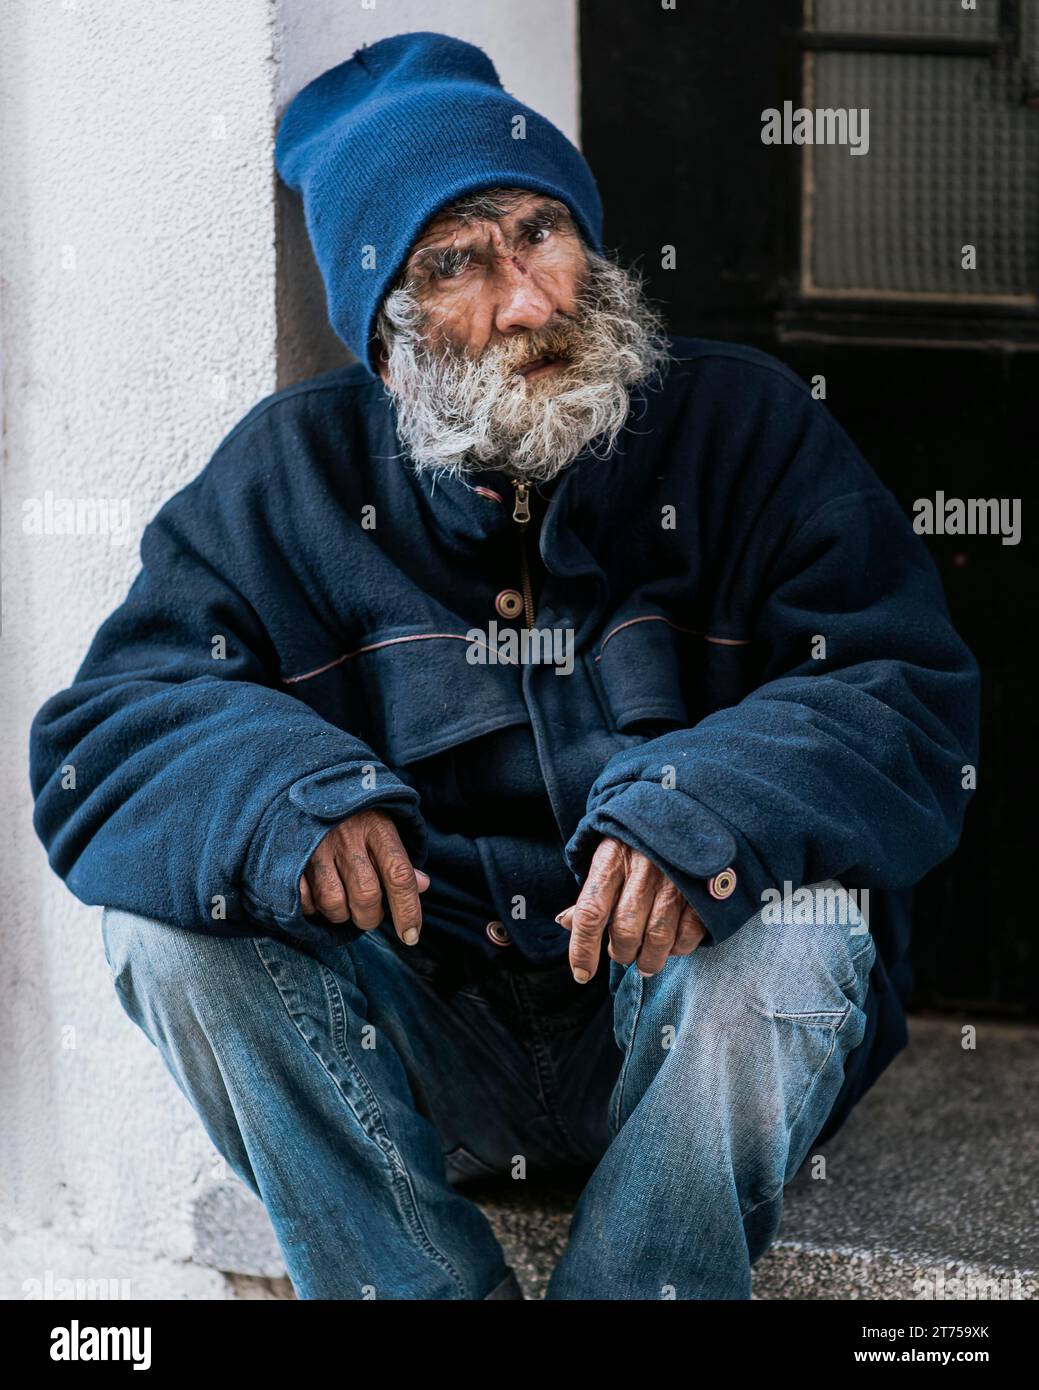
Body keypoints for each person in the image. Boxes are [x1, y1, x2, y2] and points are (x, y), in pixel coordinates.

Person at [28, 31, 980, 1300]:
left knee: (799, 934)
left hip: (679, 1033)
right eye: (456, 266)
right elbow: (103, 738)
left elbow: (903, 697)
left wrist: (704, 810)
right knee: (166, 934)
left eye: (542, 233)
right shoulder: (287, 479)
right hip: (425, 1045)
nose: (529, 301)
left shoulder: (745, 425)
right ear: (381, 333)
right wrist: (281, 797)